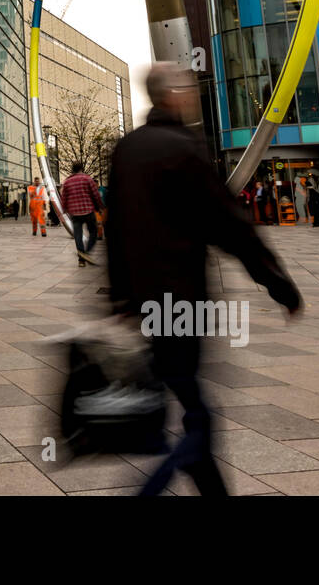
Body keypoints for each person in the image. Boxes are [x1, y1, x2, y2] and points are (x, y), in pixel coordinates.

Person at [107, 63, 302, 497]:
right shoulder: (184, 148)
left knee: (182, 395)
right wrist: (277, 283)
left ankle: (209, 486)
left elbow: (114, 231)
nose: (193, 95)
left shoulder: (128, 149)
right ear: (172, 94)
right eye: (189, 88)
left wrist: (120, 297)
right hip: (183, 301)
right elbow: (230, 227)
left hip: (144, 302)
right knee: (194, 408)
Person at [61, 161, 104, 267]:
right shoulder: (87, 179)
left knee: (78, 236)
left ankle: (81, 260)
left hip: (75, 213)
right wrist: (100, 207)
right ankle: (86, 252)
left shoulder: (67, 182)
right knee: (93, 232)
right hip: (88, 211)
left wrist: (64, 209)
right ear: (82, 168)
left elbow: (64, 198)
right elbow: (95, 195)